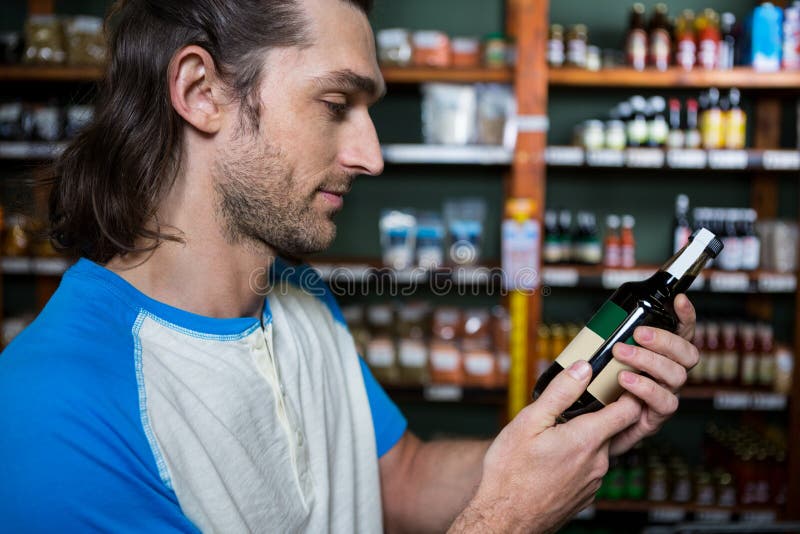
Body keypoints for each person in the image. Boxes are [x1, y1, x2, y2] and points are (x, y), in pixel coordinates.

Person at [0, 0, 700, 532]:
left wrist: (573, 434)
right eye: (336, 104)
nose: (372, 154)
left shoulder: (295, 291)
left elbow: (398, 476)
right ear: (201, 91)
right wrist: (505, 519)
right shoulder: (53, 412)